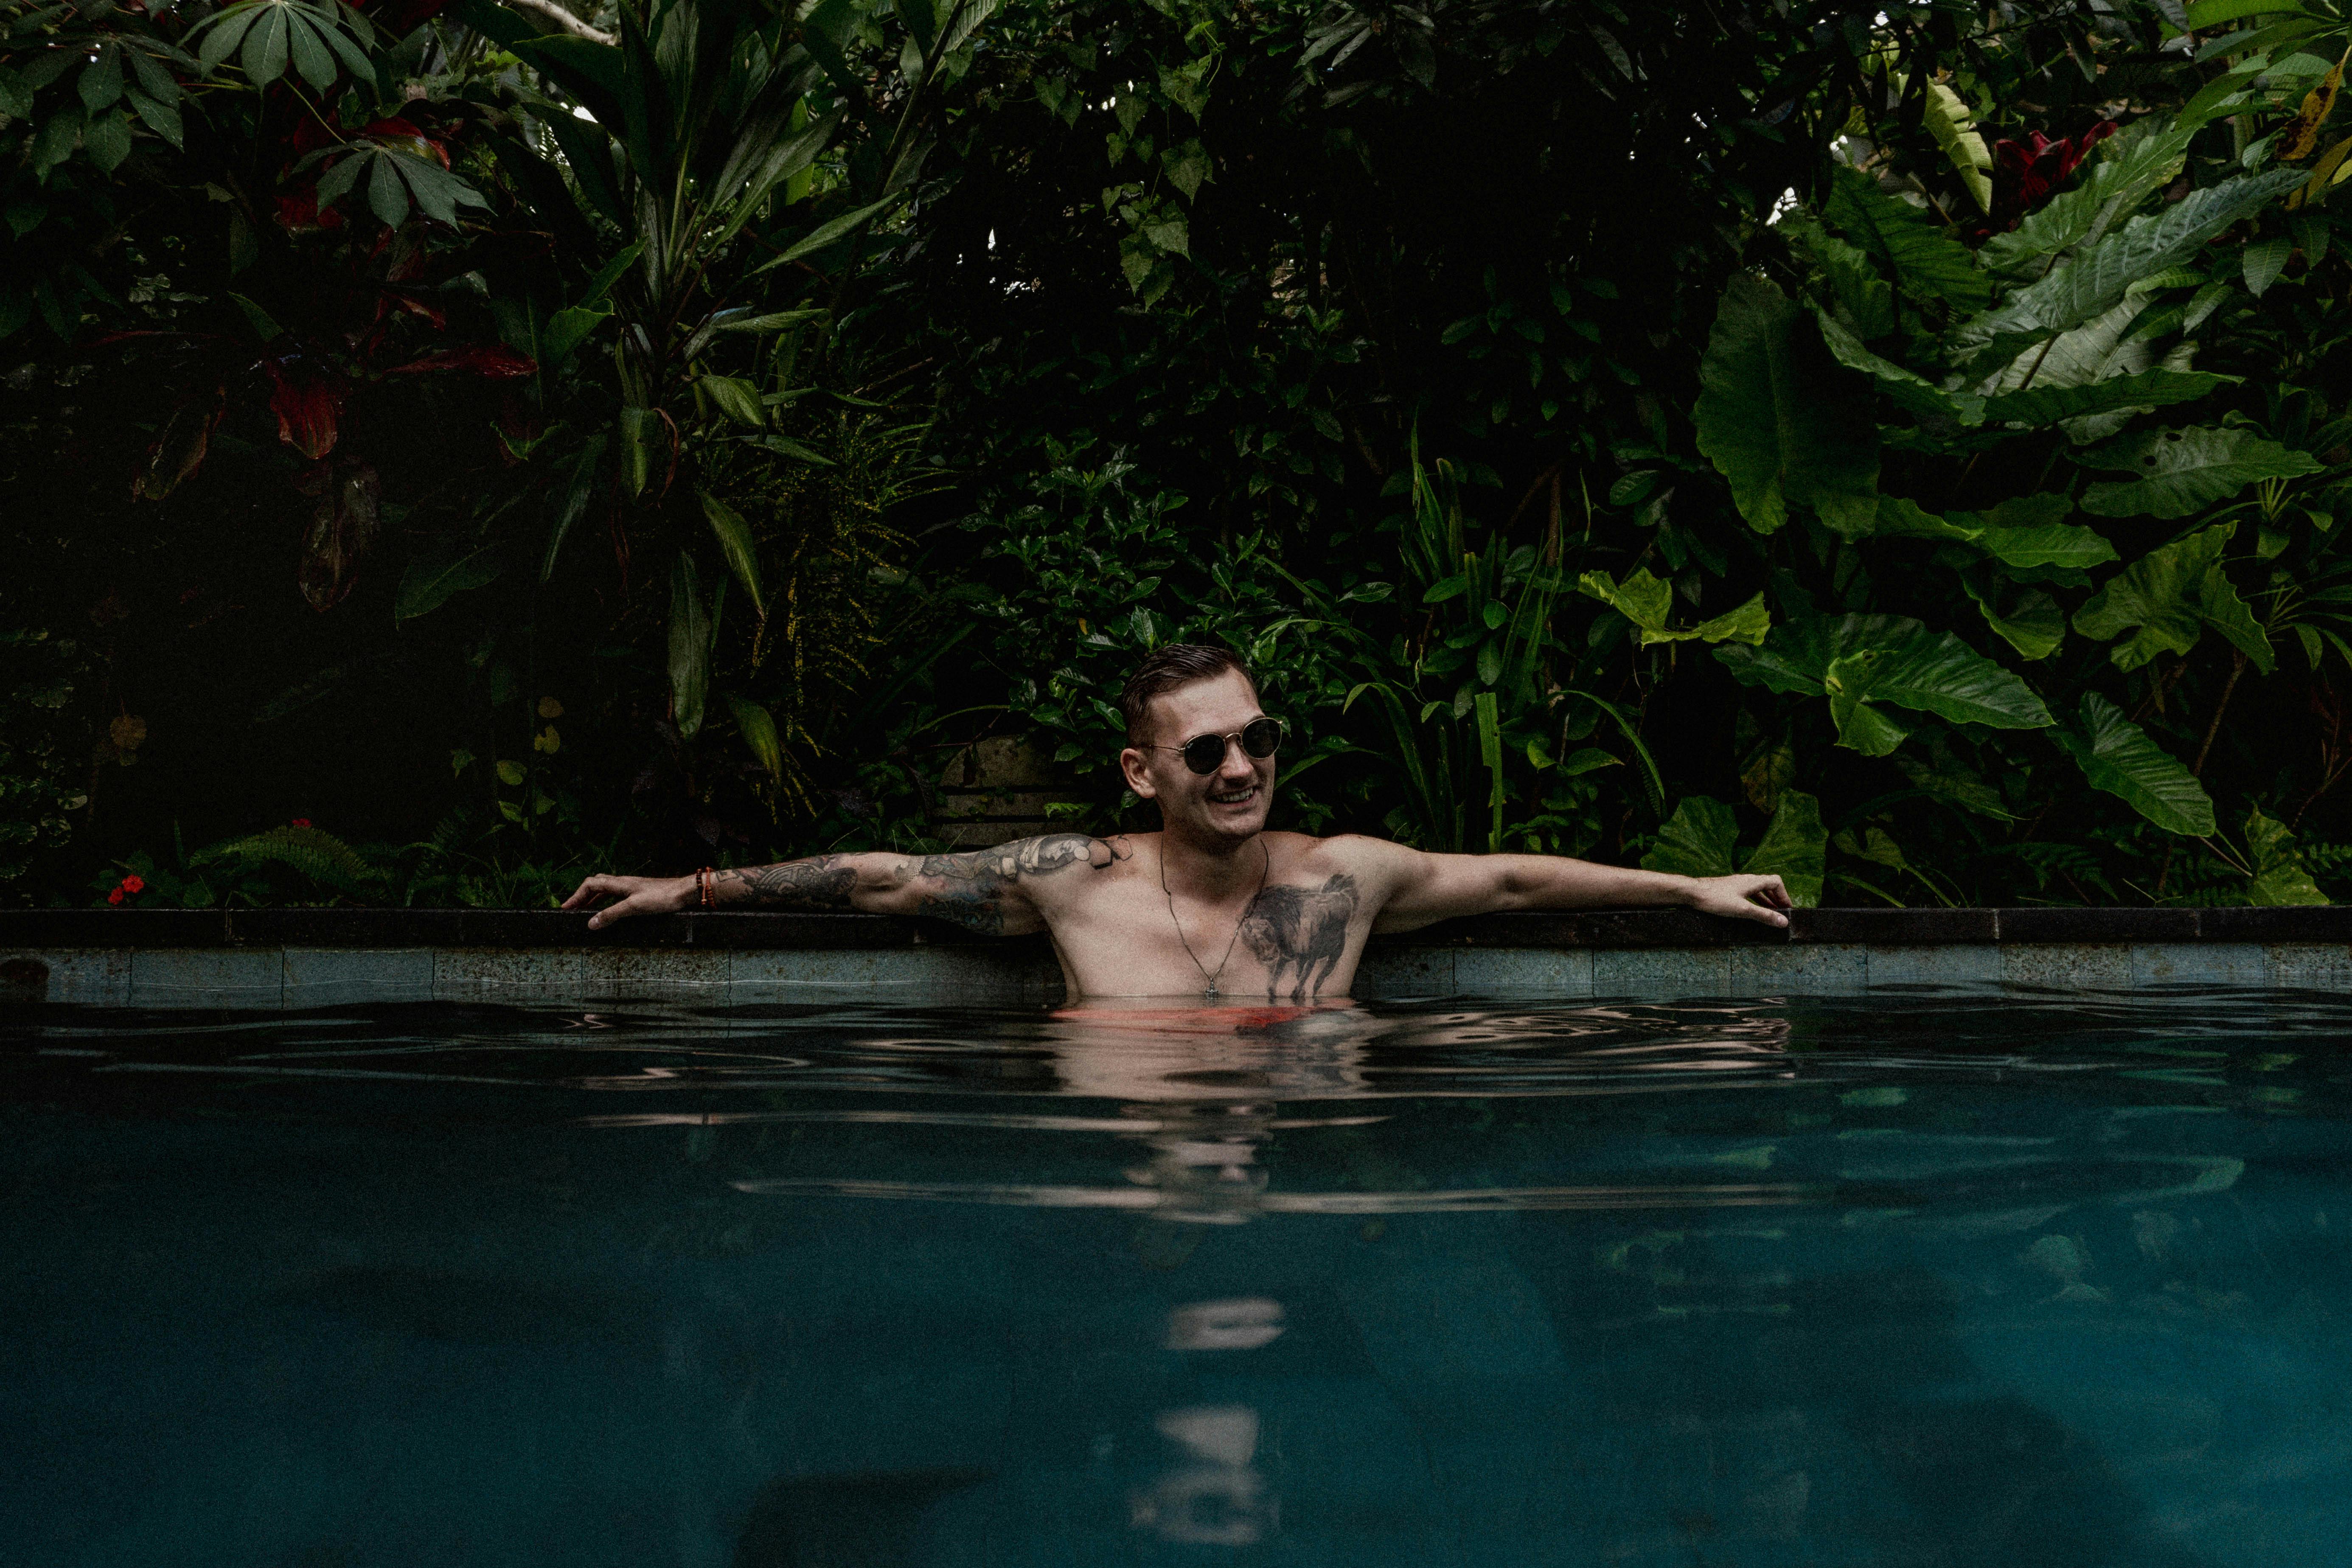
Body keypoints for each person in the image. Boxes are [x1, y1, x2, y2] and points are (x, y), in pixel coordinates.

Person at [562, 644, 1791, 1000]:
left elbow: (1512, 883)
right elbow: (888, 878)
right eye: (1206, 751)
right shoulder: (1071, 879)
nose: (1243, 768)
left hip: (1302, 1184)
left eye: (1258, 737)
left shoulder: (1344, 880)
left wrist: (1693, 891)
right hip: (1126, 1191)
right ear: (1142, 773)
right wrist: (691, 890)